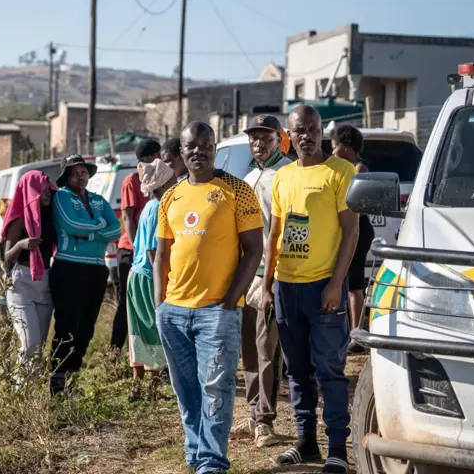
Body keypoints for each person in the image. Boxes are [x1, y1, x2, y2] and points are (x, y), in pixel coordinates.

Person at [153, 122, 264, 474]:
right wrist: (161, 305)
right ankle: (195, 454)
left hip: (217, 311)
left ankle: (212, 463)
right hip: (174, 312)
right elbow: (161, 255)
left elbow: (253, 251)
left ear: (215, 148)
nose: (197, 150)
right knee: (187, 392)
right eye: (190, 146)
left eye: (204, 144)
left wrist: (231, 300)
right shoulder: (170, 196)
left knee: (216, 389)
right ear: (180, 153)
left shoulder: (238, 190)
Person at [261, 105, 358, 473]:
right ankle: (306, 442)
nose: (307, 135)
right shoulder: (282, 177)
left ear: (322, 132)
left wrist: (336, 285)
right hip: (287, 287)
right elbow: (274, 234)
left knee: (330, 370)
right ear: (289, 134)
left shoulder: (340, 172)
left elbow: (351, 232)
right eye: (300, 129)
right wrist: (268, 286)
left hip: (323, 287)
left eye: (313, 129)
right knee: (297, 371)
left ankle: (337, 449)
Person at [234, 115, 292, 448]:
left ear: (279, 138)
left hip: (270, 276)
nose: (259, 143)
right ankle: (254, 413)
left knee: (267, 350)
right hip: (246, 276)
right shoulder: (249, 175)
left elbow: (283, 231)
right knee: (249, 351)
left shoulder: (285, 174)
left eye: (265, 137)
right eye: (254, 137)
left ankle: (266, 421)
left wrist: (271, 280)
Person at [49, 154, 121, 395]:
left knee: (86, 328)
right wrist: (99, 229)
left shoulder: (99, 200)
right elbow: (71, 224)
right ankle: (57, 386)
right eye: (74, 172)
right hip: (69, 268)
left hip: (96, 270)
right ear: (66, 177)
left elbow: (117, 228)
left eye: (83, 172)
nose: (81, 176)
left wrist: (89, 233)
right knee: (67, 326)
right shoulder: (61, 197)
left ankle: (72, 382)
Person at [125, 159, 176, 401]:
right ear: (164, 184)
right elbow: (154, 251)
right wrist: (163, 283)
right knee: (153, 328)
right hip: (148, 276)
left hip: (136, 274)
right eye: (172, 181)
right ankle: (153, 388)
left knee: (137, 330)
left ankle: (137, 385)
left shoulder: (148, 206)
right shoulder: (159, 208)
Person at [0, 170, 58, 373]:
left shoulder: (52, 214)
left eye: (48, 191)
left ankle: (32, 398)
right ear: (32, 192)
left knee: (39, 347)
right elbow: (7, 256)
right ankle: (20, 394)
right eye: (42, 191)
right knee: (30, 344)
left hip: (46, 281)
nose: (47, 194)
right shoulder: (20, 219)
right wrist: (21, 245)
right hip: (22, 284)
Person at [110, 139, 162, 360]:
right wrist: (135, 247)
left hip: (150, 248)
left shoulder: (162, 180)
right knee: (126, 302)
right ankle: (115, 348)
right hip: (131, 249)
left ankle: (148, 354)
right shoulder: (132, 180)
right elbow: (127, 217)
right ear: (150, 158)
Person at [330, 123, 376, 353]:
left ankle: (356, 335)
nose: (332, 152)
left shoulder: (358, 169)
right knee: (347, 281)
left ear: (346, 147)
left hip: (358, 229)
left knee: (354, 283)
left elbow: (351, 203)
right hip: (347, 228)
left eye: (334, 147)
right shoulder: (346, 169)